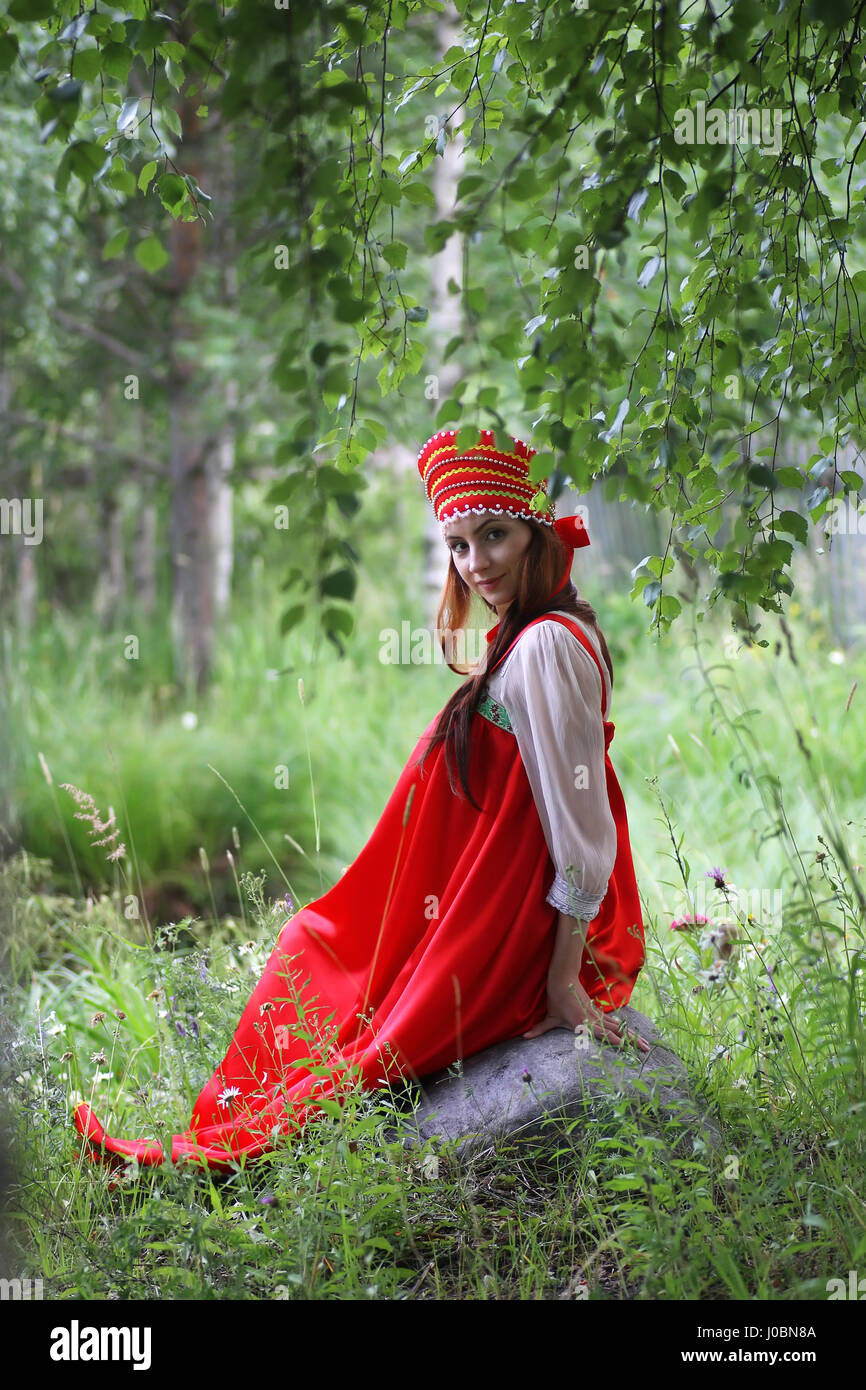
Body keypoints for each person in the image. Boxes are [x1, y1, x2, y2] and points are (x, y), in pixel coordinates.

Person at [72, 426, 648, 1173]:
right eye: (459, 545)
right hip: (470, 900)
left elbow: (582, 827)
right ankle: (209, 1146)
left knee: (360, 1035)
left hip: (503, 922)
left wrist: (563, 980)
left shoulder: (546, 646)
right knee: (312, 949)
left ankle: (202, 1163)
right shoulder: (530, 631)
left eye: (495, 536)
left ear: (536, 531)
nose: (476, 565)